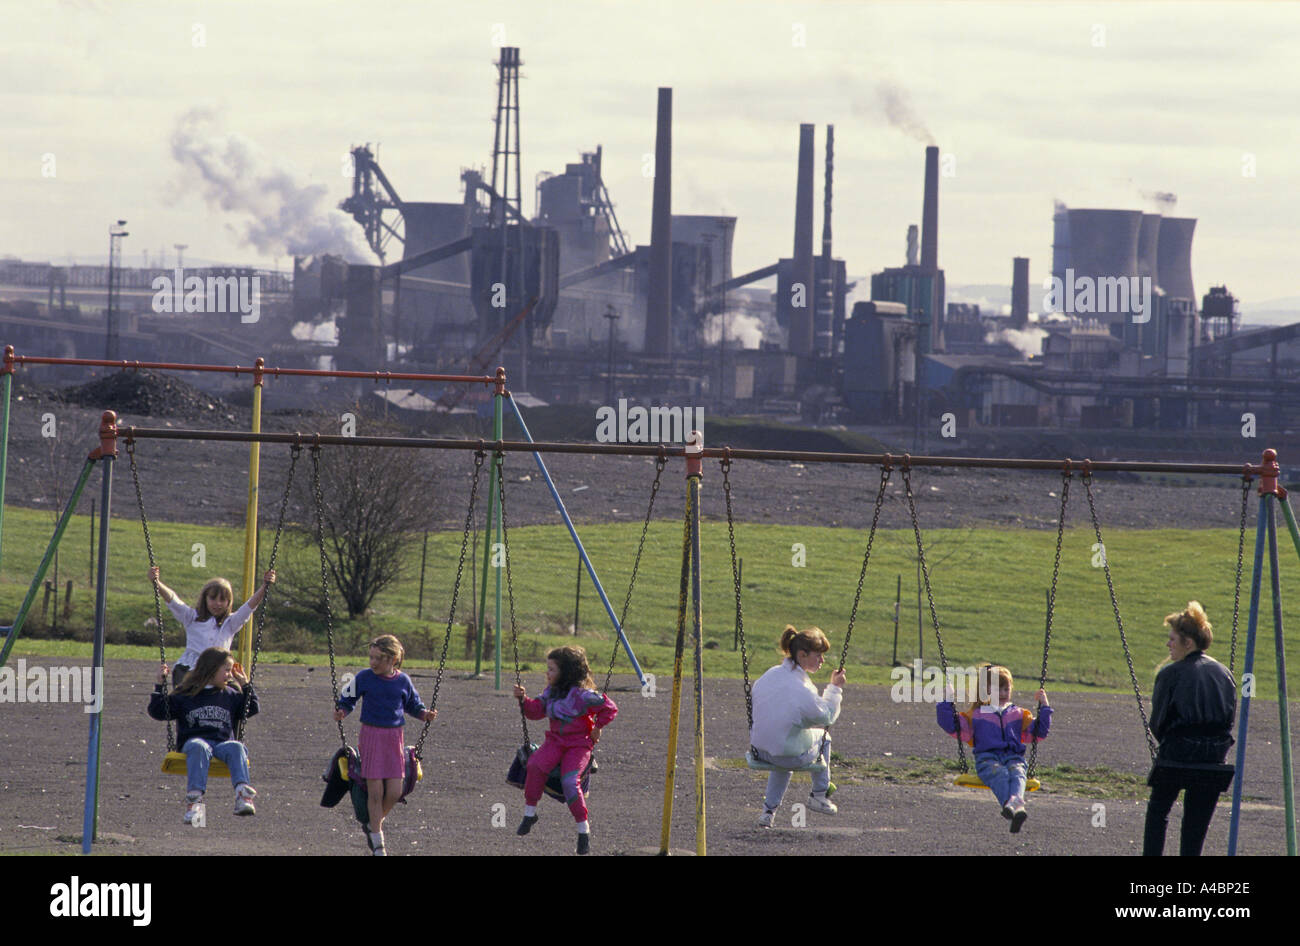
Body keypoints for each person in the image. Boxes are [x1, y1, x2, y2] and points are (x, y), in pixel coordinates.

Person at [1143, 601, 1236, 856]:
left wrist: (1172, 743)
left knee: (1158, 810)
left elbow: (1158, 723)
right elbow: (1229, 719)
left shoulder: (1170, 674)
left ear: (1188, 642)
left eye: (1172, 639)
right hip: (1214, 760)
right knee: (1196, 822)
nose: (1168, 644)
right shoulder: (1225, 673)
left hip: (1177, 756)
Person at [334, 634, 436, 856]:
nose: (373, 663)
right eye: (371, 657)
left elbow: (413, 704)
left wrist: (425, 714)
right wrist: (342, 710)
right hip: (371, 736)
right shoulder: (364, 678)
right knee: (376, 792)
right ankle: (378, 843)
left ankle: (373, 824)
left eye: (378, 658)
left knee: (395, 791)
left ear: (393, 659)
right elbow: (348, 698)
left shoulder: (403, 681)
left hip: (394, 738)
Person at [512, 646, 617, 855]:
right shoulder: (550, 693)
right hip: (555, 741)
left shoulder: (584, 696)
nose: (547, 673)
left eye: (551, 669)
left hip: (578, 744)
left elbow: (610, 708)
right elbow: (535, 712)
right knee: (533, 765)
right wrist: (523, 700)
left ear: (566, 672)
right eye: (547, 668)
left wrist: (597, 727)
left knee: (570, 781)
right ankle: (530, 813)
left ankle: (583, 830)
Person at [147, 647, 260, 823]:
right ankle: (195, 805)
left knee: (237, 746)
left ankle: (242, 795)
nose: (230, 675)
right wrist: (160, 684)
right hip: (195, 743)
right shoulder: (185, 694)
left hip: (222, 745)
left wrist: (245, 684)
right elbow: (159, 712)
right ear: (212, 669)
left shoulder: (230, 694)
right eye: (227, 670)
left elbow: (251, 708)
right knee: (199, 746)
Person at [749, 625, 845, 828]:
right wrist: (835, 688)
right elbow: (826, 716)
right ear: (803, 654)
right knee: (823, 738)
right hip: (784, 754)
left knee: (783, 750)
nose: (822, 661)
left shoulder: (771, 674)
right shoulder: (801, 689)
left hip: (761, 750)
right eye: (818, 656)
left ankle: (768, 812)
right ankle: (819, 794)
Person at [936, 664, 1051, 833]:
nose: (1003, 694)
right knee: (1001, 774)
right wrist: (946, 699)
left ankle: (1014, 807)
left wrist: (1045, 706)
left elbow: (1038, 733)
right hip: (987, 759)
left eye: (1006, 689)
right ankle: (1015, 805)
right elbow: (951, 726)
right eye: (998, 690)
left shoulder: (1019, 714)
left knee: (1018, 773)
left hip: (1013, 757)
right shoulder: (976, 715)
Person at [148, 566, 276, 688]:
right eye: (213, 598)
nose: (217, 603)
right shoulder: (191, 617)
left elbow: (249, 606)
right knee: (186, 692)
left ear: (228, 602)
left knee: (237, 692)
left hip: (218, 671)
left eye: (222, 600)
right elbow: (173, 600)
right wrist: (157, 583)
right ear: (205, 599)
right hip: (191, 668)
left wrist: (265, 586)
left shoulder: (230, 623)